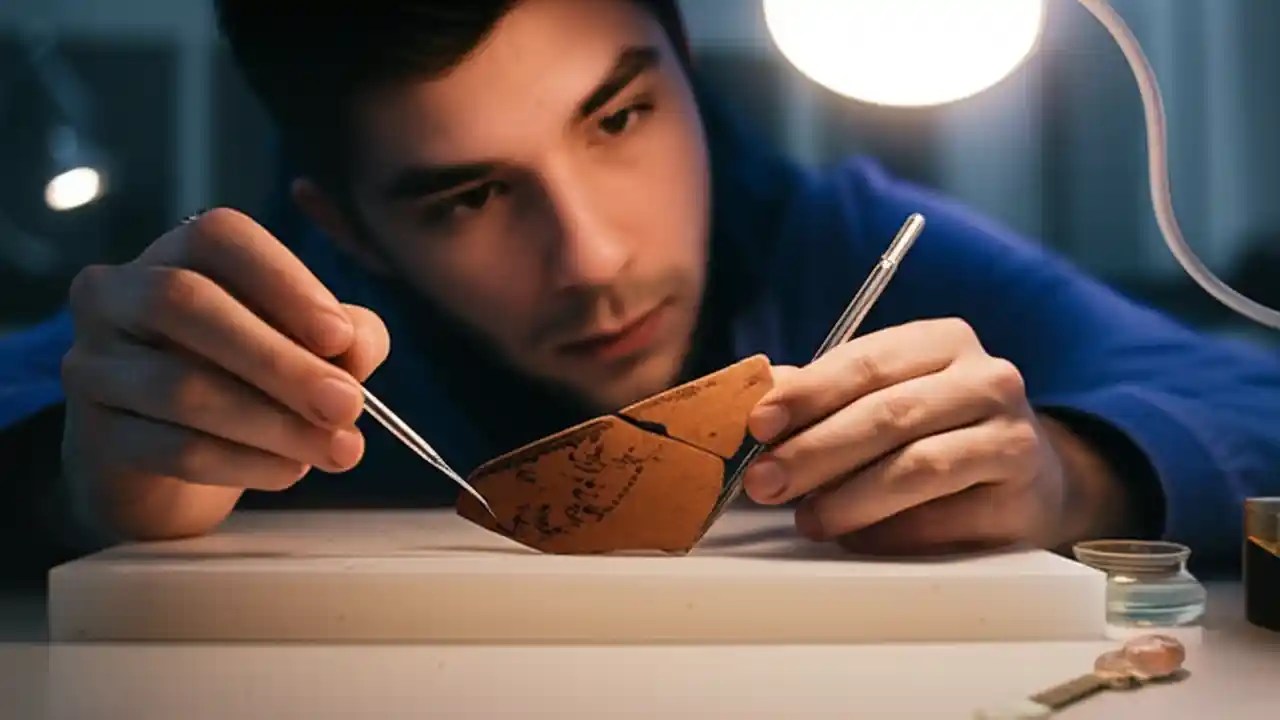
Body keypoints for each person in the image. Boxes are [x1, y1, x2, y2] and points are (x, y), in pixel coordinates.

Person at [2, 0, 1278, 572]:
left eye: (617, 118)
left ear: (683, 67)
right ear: (353, 234)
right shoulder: (271, 321)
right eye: (470, 196)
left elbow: (1249, 398)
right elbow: (64, 426)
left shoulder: (835, 237)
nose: (595, 256)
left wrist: (1073, 472)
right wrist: (67, 484)